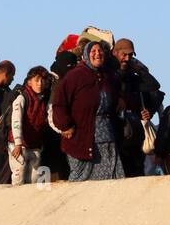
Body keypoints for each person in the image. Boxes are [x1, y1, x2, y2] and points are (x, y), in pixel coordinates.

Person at [51, 40, 123, 182]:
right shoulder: (75, 76)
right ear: (85, 55)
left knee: (110, 182)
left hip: (107, 138)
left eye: (100, 51)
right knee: (80, 181)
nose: (98, 54)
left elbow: (116, 95)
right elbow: (59, 103)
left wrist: (122, 100)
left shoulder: (108, 76)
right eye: (93, 51)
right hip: (81, 138)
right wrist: (65, 125)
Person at [113, 38, 163, 178]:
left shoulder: (132, 76)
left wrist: (139, 68)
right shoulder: (108, 74)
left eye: (130, 55)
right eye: (124, 54)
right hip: (116, 132)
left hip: (134, 132)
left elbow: (154, 86)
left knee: (137, 176)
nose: (127, 58)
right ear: (115, 52)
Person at [7, 68, 51, 186]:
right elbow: (16, 120)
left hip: (35, 146)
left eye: (42, 80)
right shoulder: (22, 98)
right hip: (18, 146)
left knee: (34, 179)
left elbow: (51, 119)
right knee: (18, 178)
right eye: (36, 80)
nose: (40, 83)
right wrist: (18, 143)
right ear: (29, 81)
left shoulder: (45, 100)